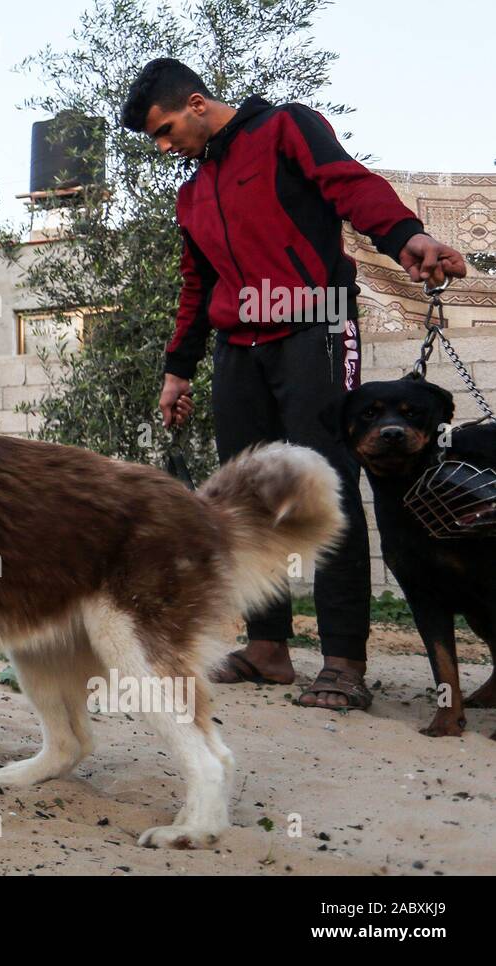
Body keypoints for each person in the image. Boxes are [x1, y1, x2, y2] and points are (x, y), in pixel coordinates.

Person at [120, 58, 466, 711]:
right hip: (238, 352)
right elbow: (198, 287)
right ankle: (268, 647)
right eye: (155, 140)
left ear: (196, 103)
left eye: (165, 130)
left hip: (315, 333)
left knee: (323, 488)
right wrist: (177, 370)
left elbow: (351, 187)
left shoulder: (286, 129)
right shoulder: (191, 193)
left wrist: (406, 237)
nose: (164, 146)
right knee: (245, 500)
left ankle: (342, 660)